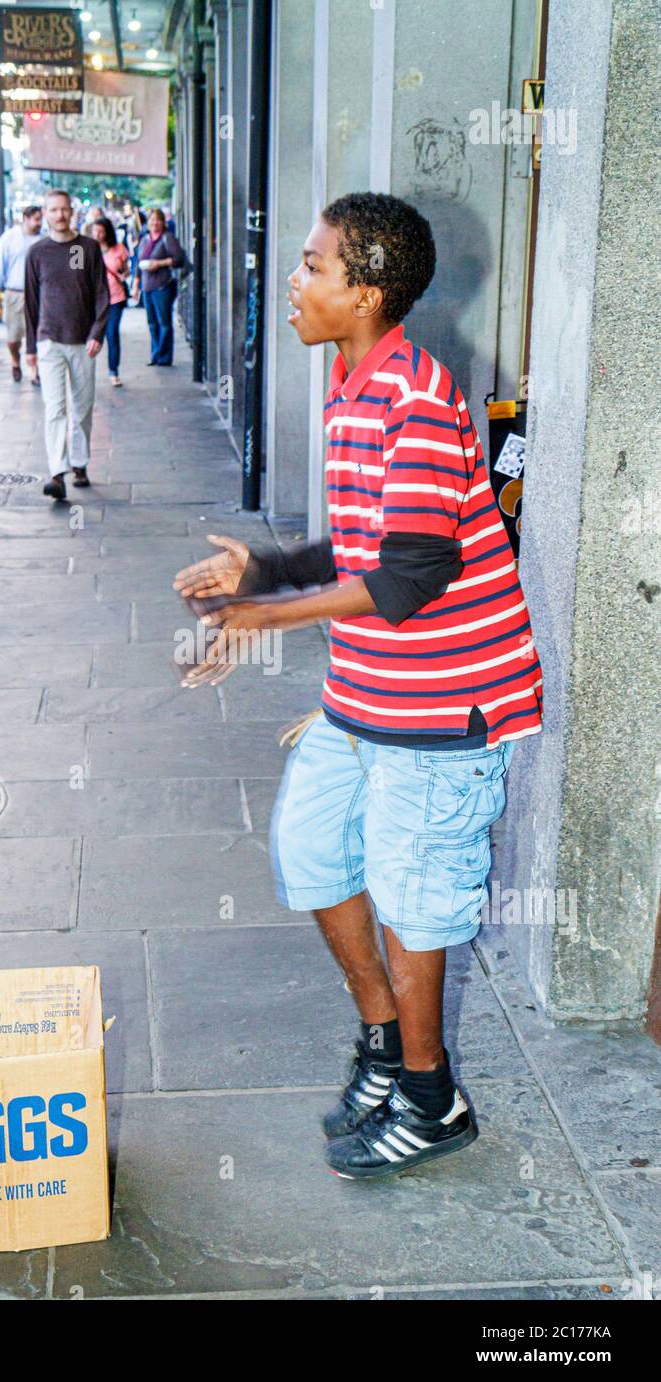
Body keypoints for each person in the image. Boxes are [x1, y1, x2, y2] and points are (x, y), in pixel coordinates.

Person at [173, 192, 543, 1181]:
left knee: (413, 897)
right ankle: (385, 1041)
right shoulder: (352, 388)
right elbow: (362, 545)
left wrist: (267, 619)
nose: (290, 282)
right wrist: (269, 571)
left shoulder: (413, 400)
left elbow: (413, 573)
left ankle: (432, 1097)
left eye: (309, 267)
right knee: (311, 849)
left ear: (364, 294)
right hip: (368, 694)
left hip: (441, 701)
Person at [24, 189, 109, 500]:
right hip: (49, 341)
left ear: (72, 212)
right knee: (55, 408)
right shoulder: (37, 252)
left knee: (83, 407)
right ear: (45, 214)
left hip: (83, 341)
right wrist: (31, 347)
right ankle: (57, 473)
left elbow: (102, 292)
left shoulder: (87, 248)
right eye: (53, 210)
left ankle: (80, 463)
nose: (59, 215)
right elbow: (31, 301)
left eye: (64, 210)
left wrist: (97, 332)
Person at [0, 205, 44, 384]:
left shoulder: (43, 239)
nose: (39, 223)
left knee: (36, 334)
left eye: (40, 219)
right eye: (36, 219)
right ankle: (15, 360)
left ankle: (35, 371)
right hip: (14, 293)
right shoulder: (10, 238)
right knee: (13, 337)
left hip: (38, 294)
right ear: (25, 218)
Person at [133, 208, 183, 366]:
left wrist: (159, 263)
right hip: (147, 286)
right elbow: (138, 264)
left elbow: (178, 258)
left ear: (163, 222)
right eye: (151, 220)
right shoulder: (145, 240)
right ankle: (155, 354)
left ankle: (164, 357)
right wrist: (136, 285)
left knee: (164, 322)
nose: (154, 223)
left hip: (163, 285)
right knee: (152, 322)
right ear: (147, 223)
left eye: (157, 220)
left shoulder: (168, 238)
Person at [91, 216, 129, 387]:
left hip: (115, 297)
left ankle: (114, 371)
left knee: (112, 334)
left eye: (101, 231)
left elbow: (126, 272)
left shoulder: (118, 249)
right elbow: (75, 271)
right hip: (92, 300)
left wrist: (123, 272)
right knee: (88, 336)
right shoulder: (82, 248)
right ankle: (84, 371)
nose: (97, 234)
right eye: (95, 231)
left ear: (107, 232)